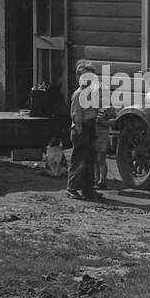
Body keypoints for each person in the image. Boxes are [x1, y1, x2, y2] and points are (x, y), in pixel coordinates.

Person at [66, 60, 103, 200]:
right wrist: (80, 129)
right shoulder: (78, 95)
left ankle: (88, 189)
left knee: (90, 160)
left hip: (91, 126)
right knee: (79, 160)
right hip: (81, 128)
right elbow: (76, 113)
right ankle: (72, 187)